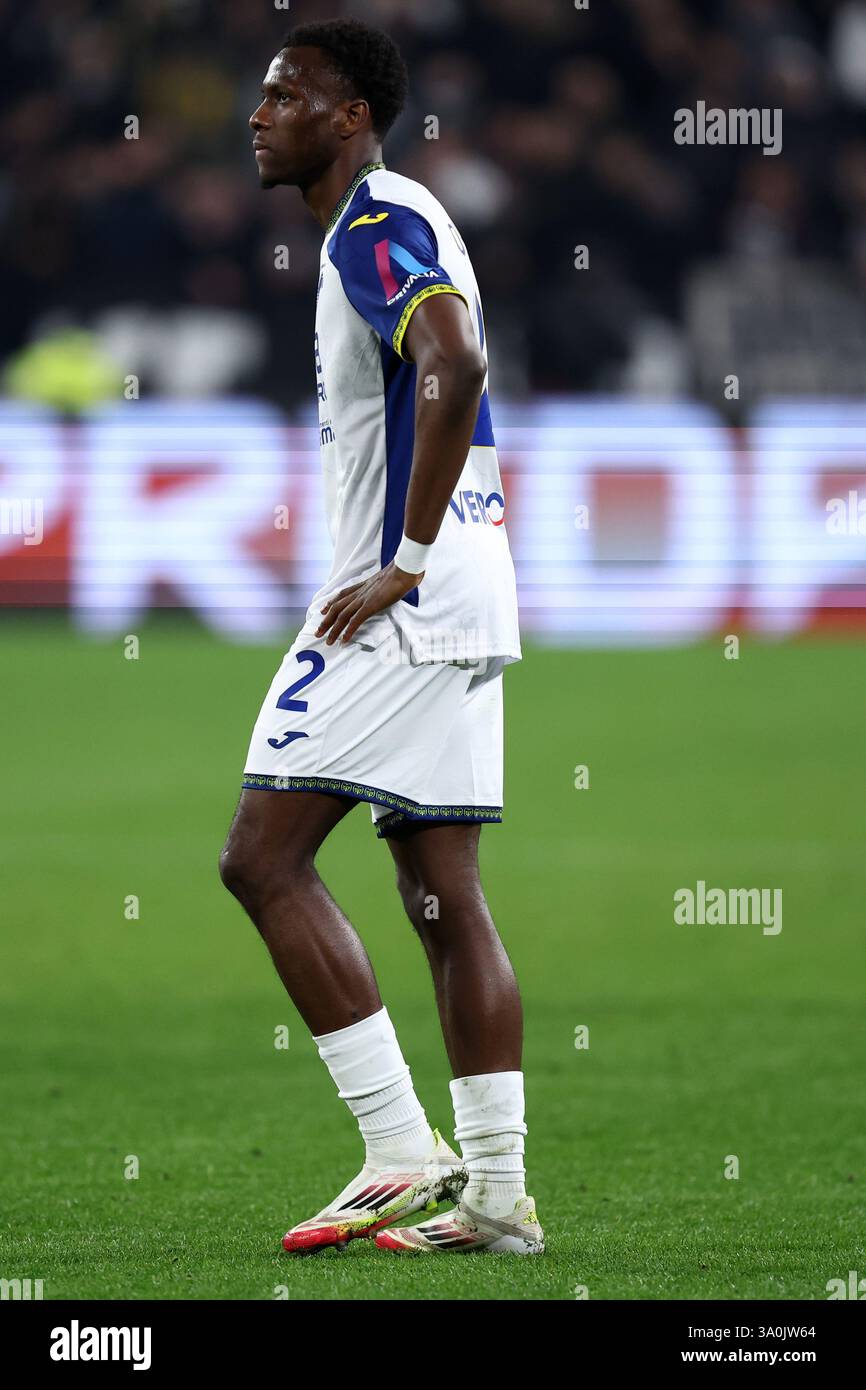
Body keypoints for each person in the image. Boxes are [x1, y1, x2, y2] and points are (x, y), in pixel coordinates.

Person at [220, 17, 542, 1256]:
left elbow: (453, 363)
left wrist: (398, 561)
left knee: (260, 858)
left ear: (348, 117)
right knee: (441, 892)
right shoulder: (396, 213)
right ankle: (499, 1197)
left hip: (404, 596)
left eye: (285, 94)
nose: (258, 114)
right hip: (470, 586)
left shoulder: (370, 223)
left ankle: (400, 1146)